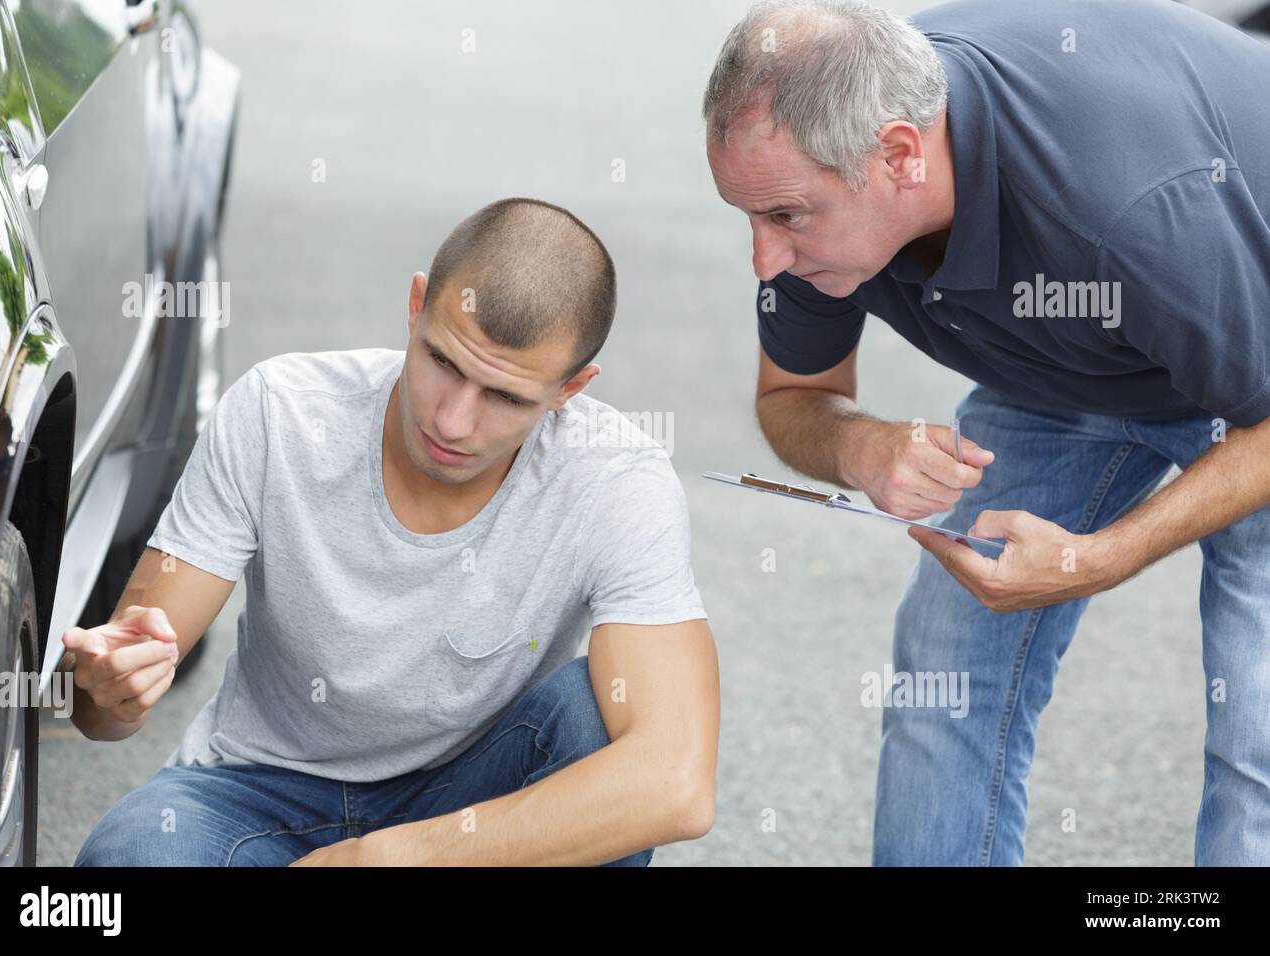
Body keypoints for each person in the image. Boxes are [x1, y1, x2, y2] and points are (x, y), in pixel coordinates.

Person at [703, 0, 1270, 865]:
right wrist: (860, 445)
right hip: (1081, 349)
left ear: (898, 156)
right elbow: (795, 391)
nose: (763, 260)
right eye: (748, 215)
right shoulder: (825, 175)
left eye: (784, 216)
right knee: (946, 663)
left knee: (1255, 721)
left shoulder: (1129, 205)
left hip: (1247, 343)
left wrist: (1101, 556)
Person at [65, 198, 719, 866]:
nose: (454, 422)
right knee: (130, 857)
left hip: (477, 803)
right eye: (443, 362)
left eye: (506, 397)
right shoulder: (280, 413)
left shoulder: (614, 481)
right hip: (258, 791)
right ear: (416, 307)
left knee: (598, 719)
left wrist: (386, 859)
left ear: (569, 390)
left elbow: (673, 783)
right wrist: (108, 690)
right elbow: (102, 712)